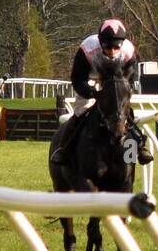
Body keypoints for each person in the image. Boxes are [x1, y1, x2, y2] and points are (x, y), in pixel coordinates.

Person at [51, 18, 150, 169]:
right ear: (100, 42)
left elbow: (129, 79)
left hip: (116, 80)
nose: (111, 52)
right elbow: (77, 78)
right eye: (107, 47)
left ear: (122, 44)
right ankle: (64, 148)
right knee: (81, 110)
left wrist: (121, 94)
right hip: (90, 78)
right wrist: (92, 93)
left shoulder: (129, 52)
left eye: (116, 47)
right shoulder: (87, 48)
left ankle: (140, 147)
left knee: (125, 111)